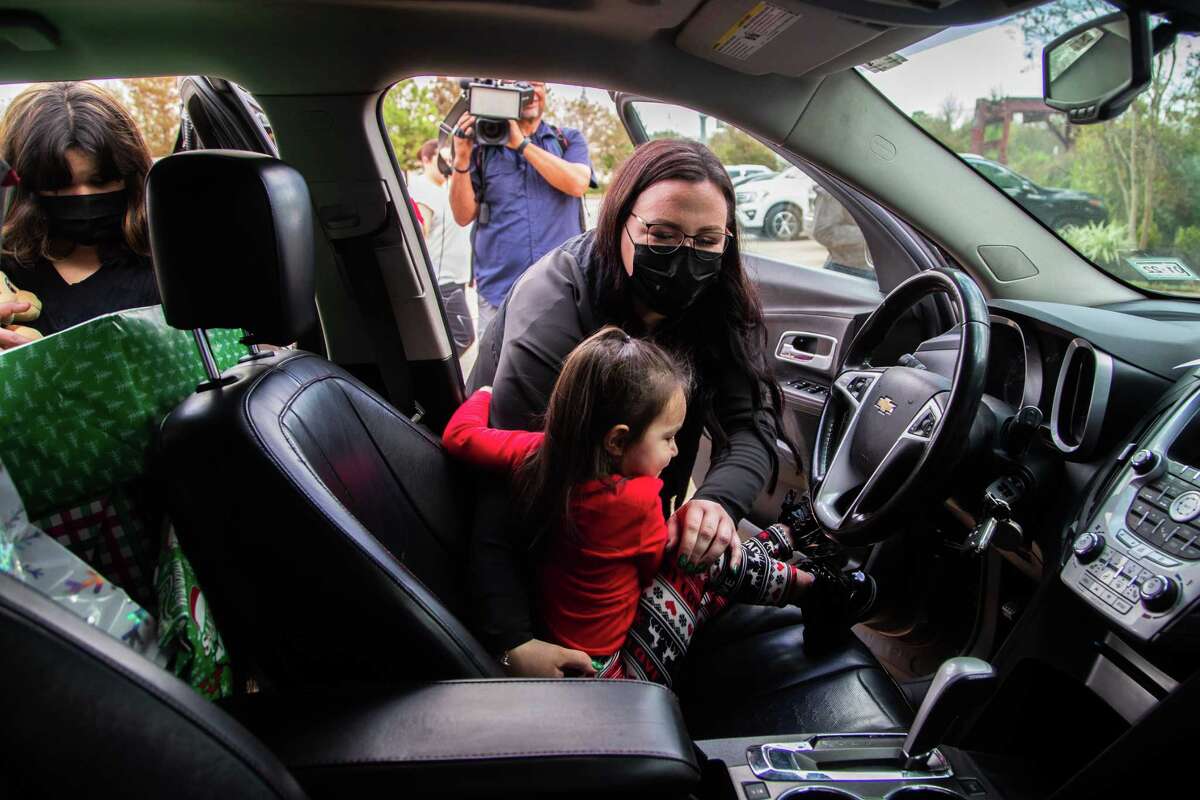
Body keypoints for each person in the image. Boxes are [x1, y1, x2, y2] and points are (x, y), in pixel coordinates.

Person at [468, 139, 874, 677]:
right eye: (662, 234)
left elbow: (750, 425)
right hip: (556, 569)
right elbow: (505, 487)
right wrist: (513, 642)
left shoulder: (719, 300)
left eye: (707, 239)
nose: (686, 255)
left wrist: (717, 504)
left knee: (706, 546)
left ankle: (806, 563)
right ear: (620, 222)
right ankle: (804, 571)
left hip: (631, 538)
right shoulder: (556, 308)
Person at [445, 328, 866, 684]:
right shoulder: (638, 499)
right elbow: (653, 568)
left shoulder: (535, 453)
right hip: (615, 675)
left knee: (699, 554)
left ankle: (789, 544)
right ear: (617, 440)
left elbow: (459, 437)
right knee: (695, 556)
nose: (676, 449)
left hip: (566, 643)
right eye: (668, 437)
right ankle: (810, 589)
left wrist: (482, 395)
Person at [0, 81, 158, 350]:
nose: (83, 197)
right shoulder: (7, 268)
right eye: (59, 184)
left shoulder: (165, 265)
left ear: (129, 176)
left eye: (102, 181)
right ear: (27, 189)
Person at [448, 80, 593, 338]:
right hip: (497, 293)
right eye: (519, 85)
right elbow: (462, 216)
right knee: (493, 375)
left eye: (535, 84)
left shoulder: (567, 140)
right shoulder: (482, 148)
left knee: (560, 374)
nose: (530, 92)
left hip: (560, 291)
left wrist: (521, 144)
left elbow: (577, 183)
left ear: (545, 91)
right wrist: (461, 159)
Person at [410, 139, 475, 356]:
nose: (448, 164)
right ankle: (436, 379)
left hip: (457, 278)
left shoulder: (448, 188)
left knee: (447, 339)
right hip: (442, 281)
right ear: (427, 160)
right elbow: (421, 230)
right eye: (443, 159)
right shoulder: (422, 189)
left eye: (450, 159)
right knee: (462, 336)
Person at [811, 186, 873, 280]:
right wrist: (870, 236)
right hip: (848, 271)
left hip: (872, 269)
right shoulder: (834, 188)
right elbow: (824, 232)